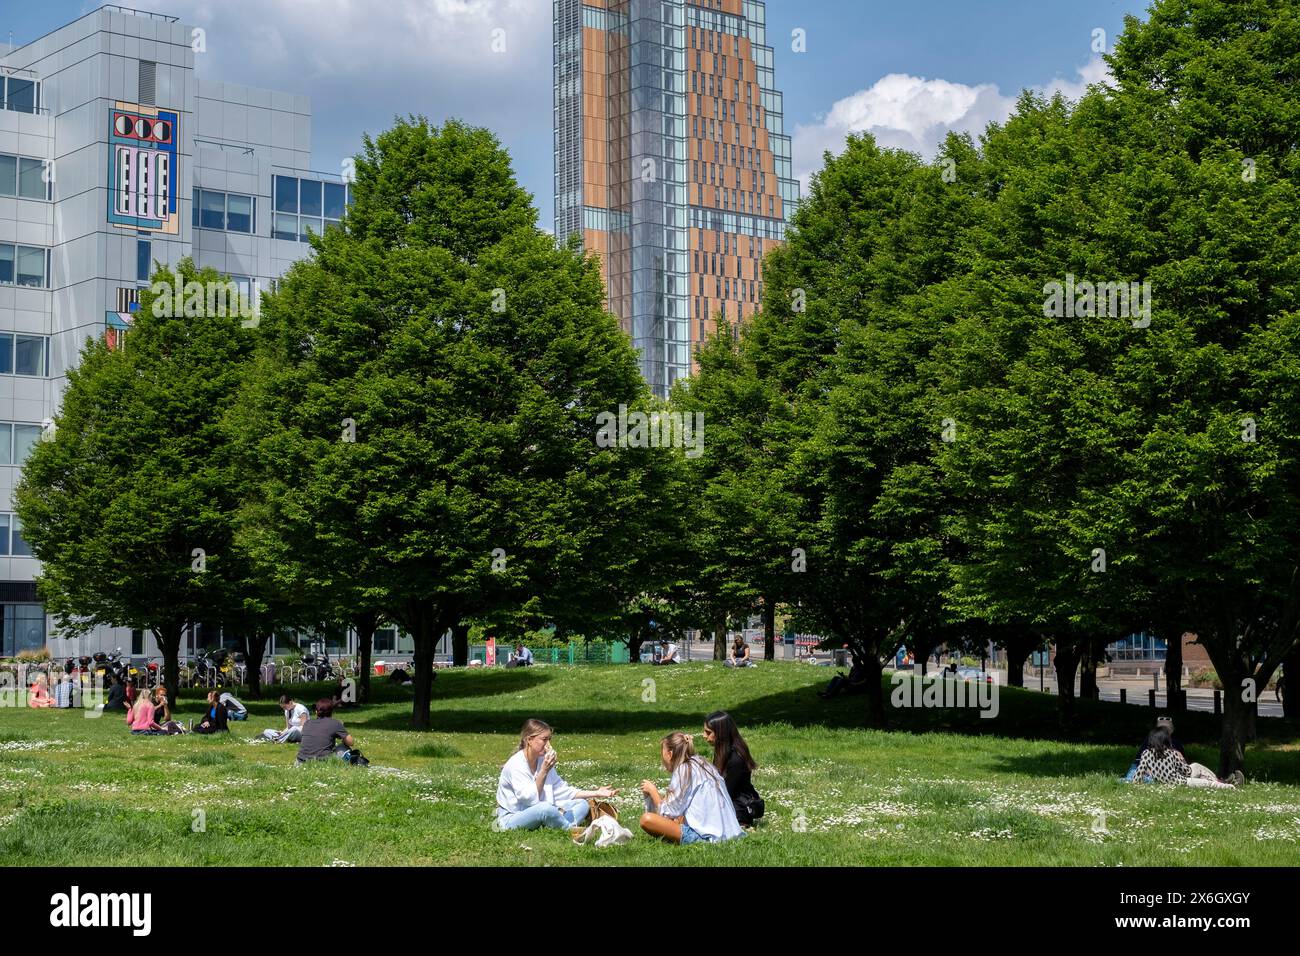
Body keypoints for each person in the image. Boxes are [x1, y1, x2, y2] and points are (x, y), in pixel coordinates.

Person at [494, 718, 618, 831]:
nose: (549, 745)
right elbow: (528, 800)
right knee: (544, 809)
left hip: (540, 810)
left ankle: (554, 823)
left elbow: (562, 790)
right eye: (544, 740)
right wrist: (543, 771)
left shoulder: (542, 760)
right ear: (529, 740)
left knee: (582, 804)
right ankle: (571, 830)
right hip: (513, 817)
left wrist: (596, 793)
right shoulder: (516, 764)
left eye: (549, 739)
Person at [639, 732, 744, 844]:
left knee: (647, 820)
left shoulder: (683, 770)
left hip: (710, 838)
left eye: (662, 754)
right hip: (731, 833)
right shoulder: (702, 763)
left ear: (669, 754)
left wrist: (653, 792)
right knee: (678, 817)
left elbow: (668, 813)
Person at [703, 711, 764, 827]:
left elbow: (725, 792)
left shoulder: (736, 759)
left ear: (721, 733)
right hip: (728, 804)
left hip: (739, 811)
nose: (704, 735)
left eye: (708, 732)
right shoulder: (722, 751)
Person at [1129, 727, 1239, 788]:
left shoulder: (1145, 754)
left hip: (1164, 784)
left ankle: (1223, 781)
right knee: (1205, 778)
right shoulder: (1171, 753)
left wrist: (1135, 784)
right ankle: (1227, 784)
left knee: (1199, 772)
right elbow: (1185, 770)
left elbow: (1139, 772)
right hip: (1180, 782)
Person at [296, 698, 364, 764]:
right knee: (342, 747)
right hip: (322, 762)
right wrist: (341, 730)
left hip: (301, 761)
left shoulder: (307, 723)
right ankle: (349, 763)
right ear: (332, 712)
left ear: (316, 712)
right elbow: (350, 742)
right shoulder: (335, 723)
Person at [1124, 716, 1186, 781]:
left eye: (1167, 729)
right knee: (1130, 778)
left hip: (1167, 771)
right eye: (1162, 729)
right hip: (1143, 767)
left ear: (1172, 730)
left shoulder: (1177, 744)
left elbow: (1182, 765)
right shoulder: (1150, 739)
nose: (1164, 731)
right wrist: (1147, 769)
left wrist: (1180, 758)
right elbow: (1140, 760)